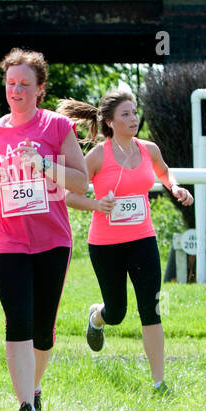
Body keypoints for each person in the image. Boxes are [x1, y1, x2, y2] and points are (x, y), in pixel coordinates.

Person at [0, 48, 88, 411]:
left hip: (52, 239)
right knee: (17, 318)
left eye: (24, 85)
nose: (15, 91)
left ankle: (33, 389)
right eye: (10, 83)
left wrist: (45, 164)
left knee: (43, 327)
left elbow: (82, 181)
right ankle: (25, 405)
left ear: (40, 89)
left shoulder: (57, 128)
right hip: (6, 239)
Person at [58, 89, 194, 393]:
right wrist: (96, 205)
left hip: (143, 239)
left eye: (134, 113)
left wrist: (176, 188)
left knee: (152, 307)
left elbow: (165, 173)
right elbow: (70, 195)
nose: (133, 119)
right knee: (117, 312)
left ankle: (159, 382)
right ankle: (97, 316)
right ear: (109, 121)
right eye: (126, 115)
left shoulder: (149, 149)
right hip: (105, 245)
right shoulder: (97, 156)